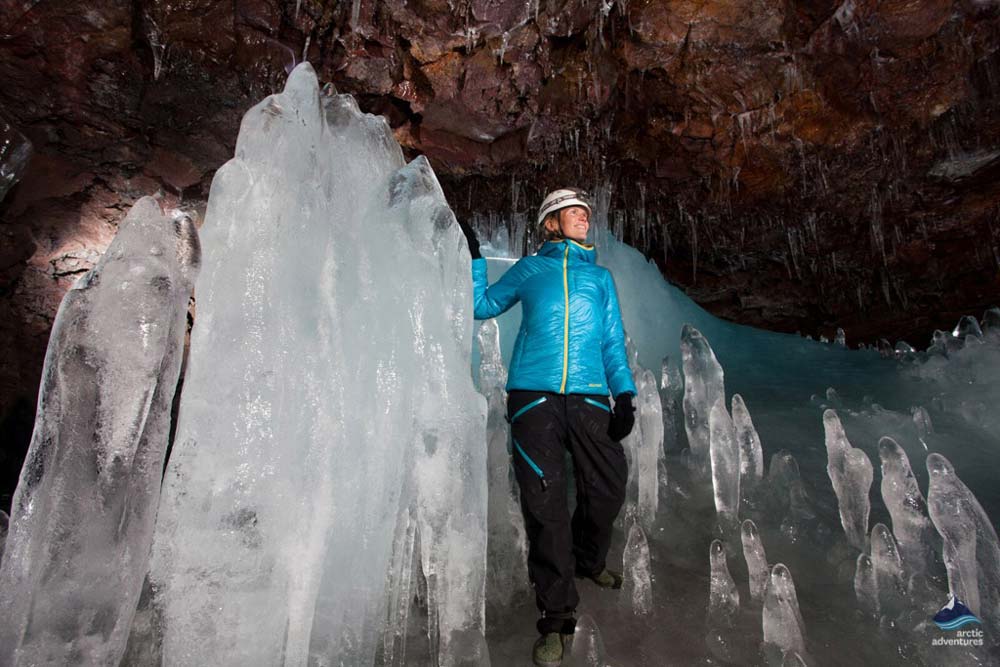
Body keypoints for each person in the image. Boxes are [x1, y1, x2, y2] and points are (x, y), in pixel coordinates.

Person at [459, 188, 636, 667]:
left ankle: (588, 560)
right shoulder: (530, 270)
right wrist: (474, 258)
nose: (584, 217)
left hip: (589, 395)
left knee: (608, 488)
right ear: (551, 223)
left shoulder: (599, 278)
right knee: (545, 503)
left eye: (585, 212)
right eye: (573, 212)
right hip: (532, 398)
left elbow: (612, 340)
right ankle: (556, 616)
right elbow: (483, 305)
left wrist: (624, 393)